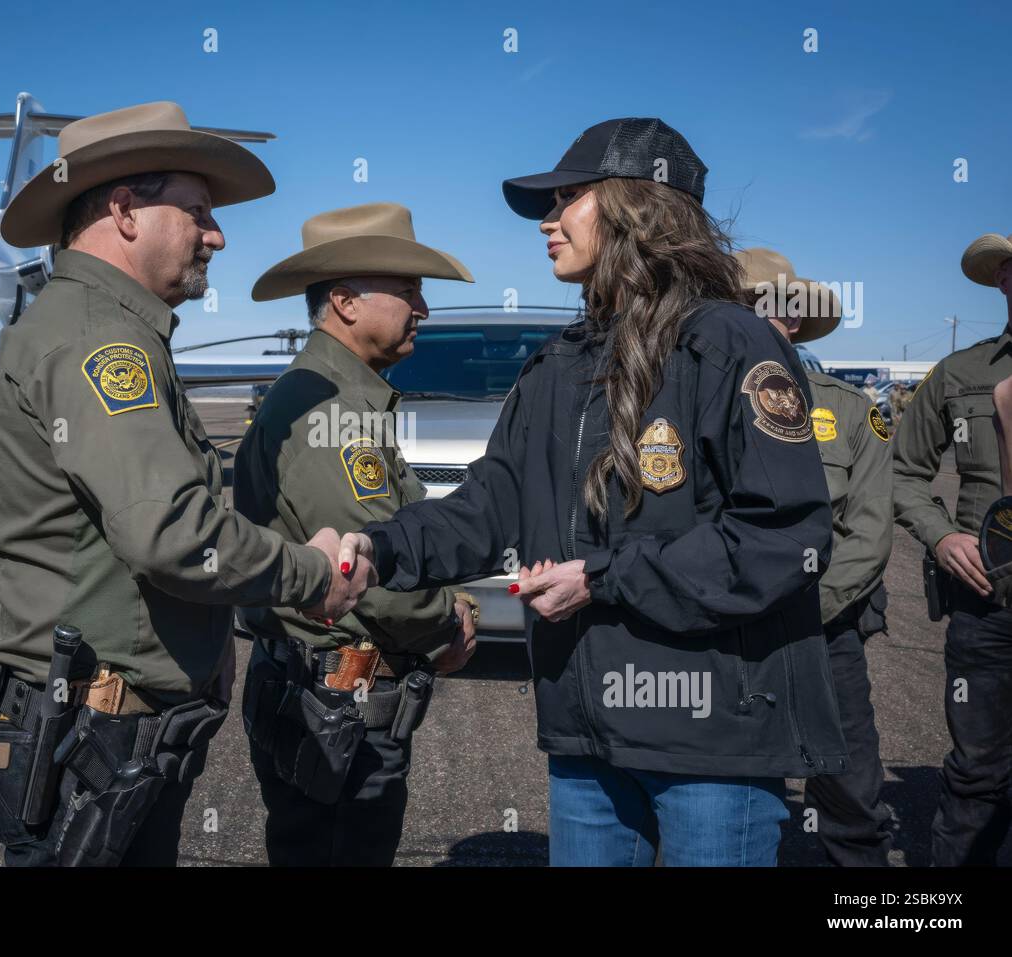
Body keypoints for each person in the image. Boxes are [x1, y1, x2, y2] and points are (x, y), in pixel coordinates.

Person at [337, 117, 847, 866]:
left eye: (568, 197)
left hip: (711, 741)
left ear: (638, 207)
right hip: (586, 737)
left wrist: (603, 577)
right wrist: (375, 548)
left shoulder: (732, 343)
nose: (547, 220)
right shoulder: (556, 365)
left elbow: (784, 536)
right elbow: (487, 505)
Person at [0, 102, 373, 867]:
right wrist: (311, 572)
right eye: (196, 212)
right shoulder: (100, 342)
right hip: (91, 737)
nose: (216, 235)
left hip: (103, 732)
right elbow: (170, 533)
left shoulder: (97, 327)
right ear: (123, 211)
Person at [233, 202, 478, 865]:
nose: (422, 306)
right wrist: (449, 618)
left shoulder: (345, 398)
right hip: (337, 698)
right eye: (406, 289)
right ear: (343, 300)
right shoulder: (329, 410)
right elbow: (370, 574)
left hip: (330, 695)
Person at [738, 248, 894, 866]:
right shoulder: (689, 406)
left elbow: (870, 533)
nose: (742, 322)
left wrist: (802, 608)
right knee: (727, 792)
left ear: (793, 319)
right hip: (724, 633)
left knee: (849, 788)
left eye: (758, 308)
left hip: (825, 629)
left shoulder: (851, 411)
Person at [894, 230, 1012, 865]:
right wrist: (941, 535)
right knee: (978, 773)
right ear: (1003, 280)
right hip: (987, 603)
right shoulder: (961, 372)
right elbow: (903, 470)